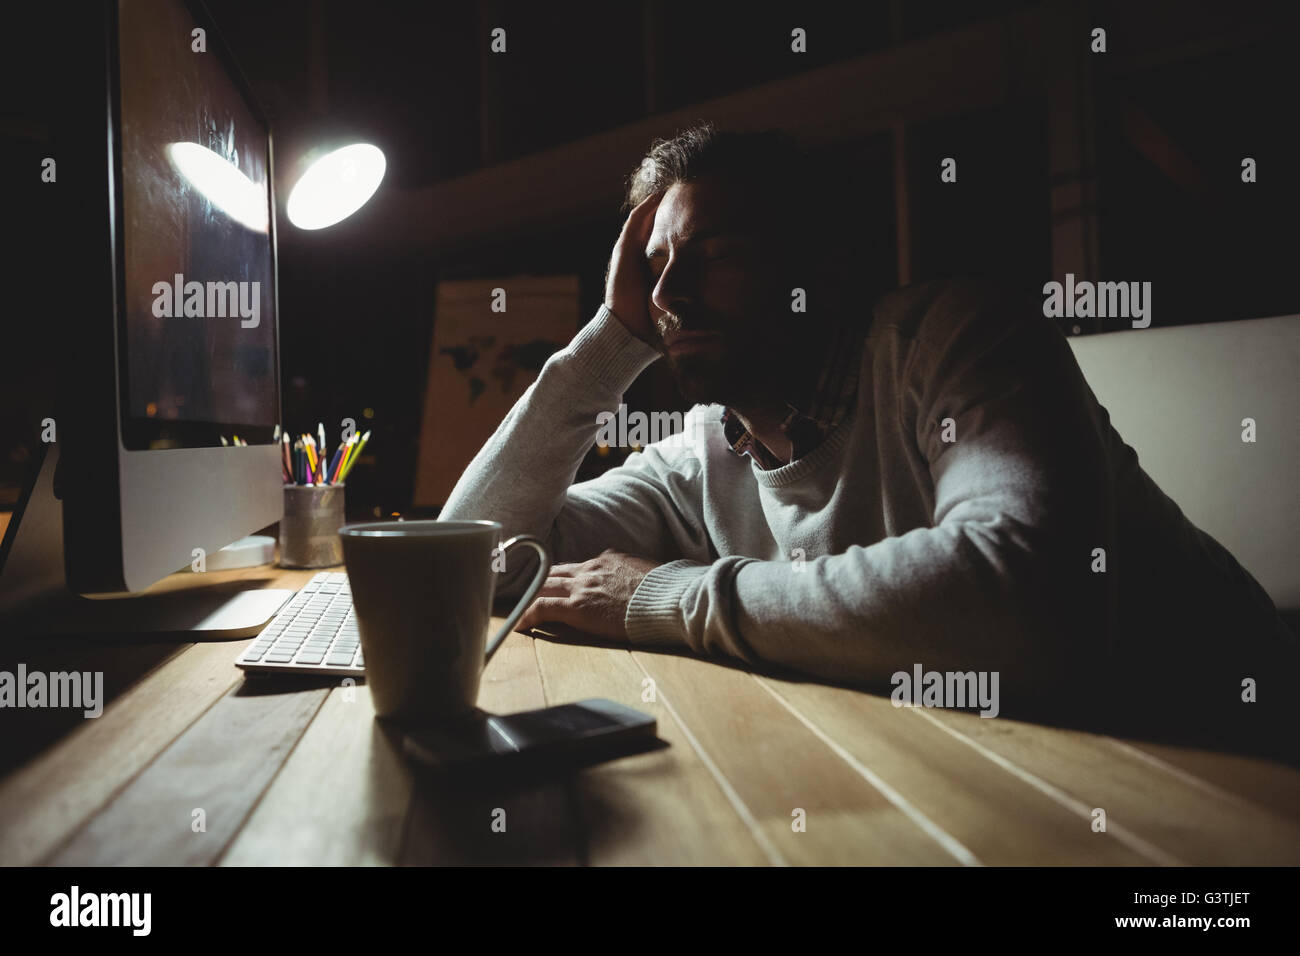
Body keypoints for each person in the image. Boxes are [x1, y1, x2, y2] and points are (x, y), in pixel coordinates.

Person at [440, 123, 1295, 748]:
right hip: (1024, 766)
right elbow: (471, 561)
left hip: (1236, 752)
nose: (672, 293)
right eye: (655, 270)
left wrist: (664, 596)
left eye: (715, 254)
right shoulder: (703, 447)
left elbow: (1023, 590)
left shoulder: (959, 337)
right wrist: (609, 345)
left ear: (819, 266)